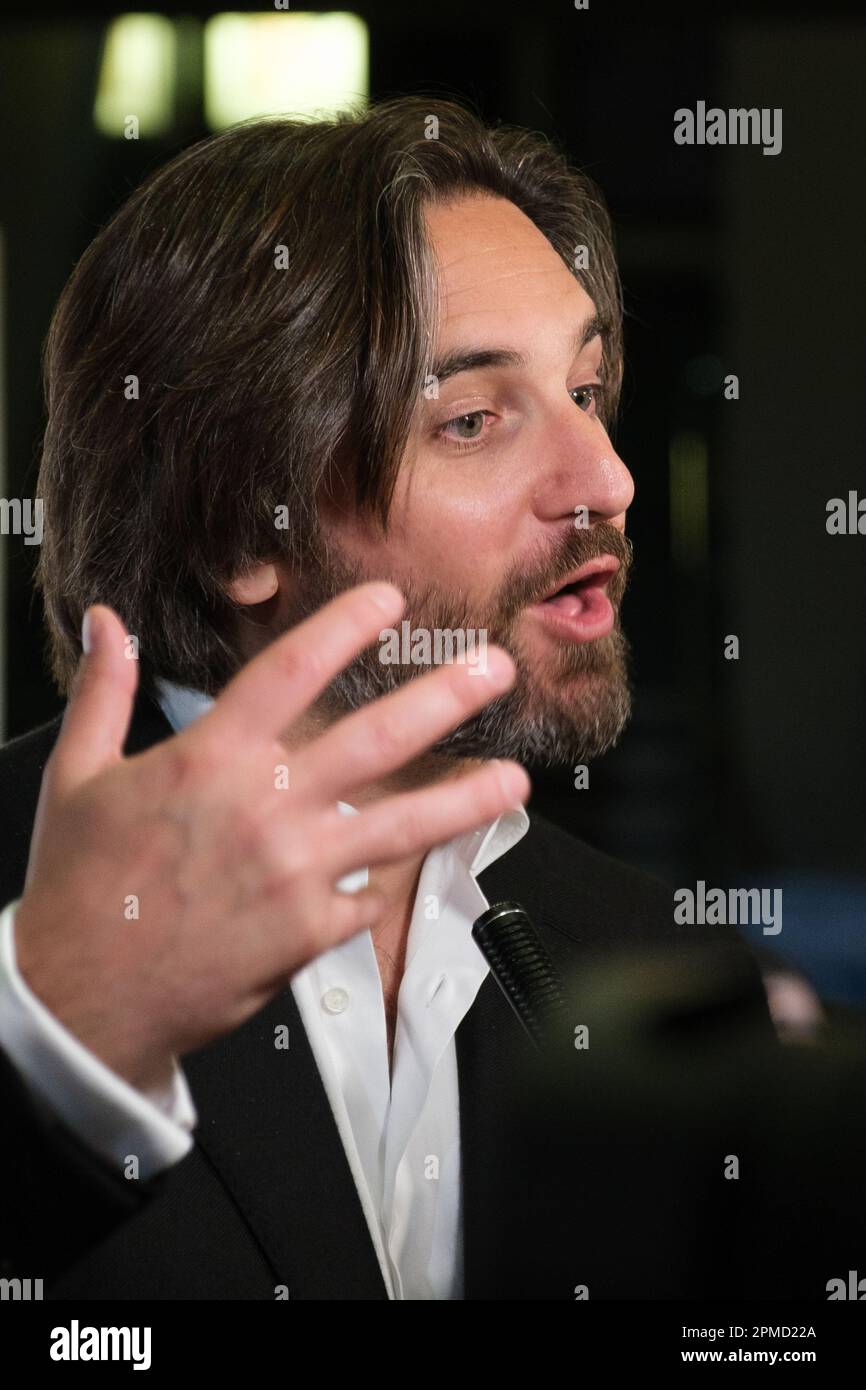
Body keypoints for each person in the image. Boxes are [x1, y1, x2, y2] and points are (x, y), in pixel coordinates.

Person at [0, 96, 768, 1300]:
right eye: (471, 419)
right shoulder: (28, 940)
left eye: (584, 390)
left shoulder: (651, 959)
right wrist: (62, 1042)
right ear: (232, 522)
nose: (606, 479)